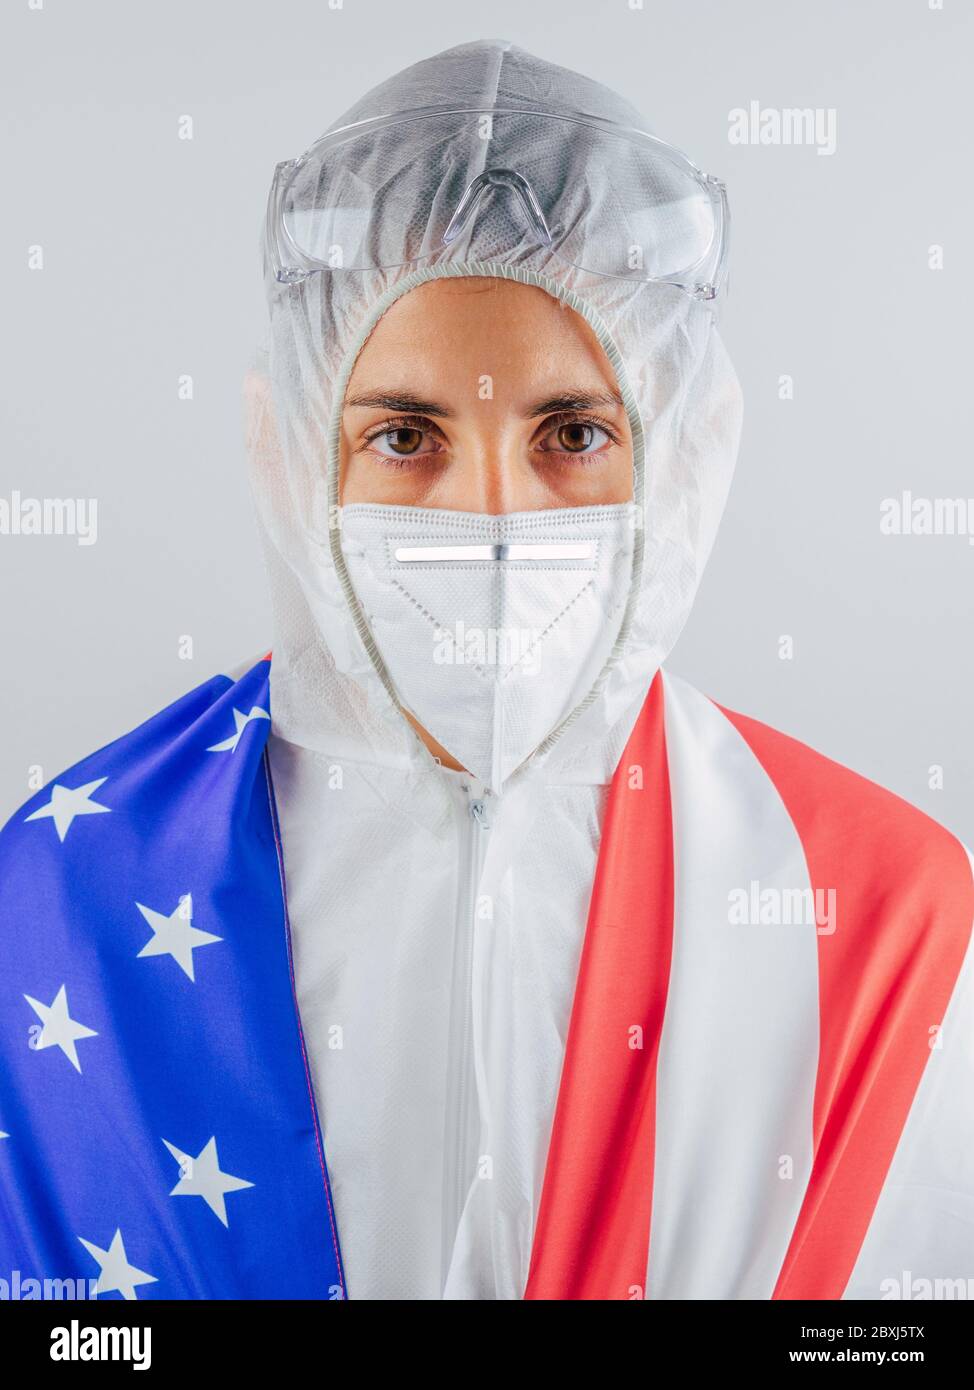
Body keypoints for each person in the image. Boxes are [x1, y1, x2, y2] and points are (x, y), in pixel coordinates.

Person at [1, 38, 972, 1304]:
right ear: (292, 454)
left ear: (681, 455)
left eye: (572, 433)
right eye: (404, 436)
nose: (492, 515)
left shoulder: (876, 910)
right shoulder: (64, 894)